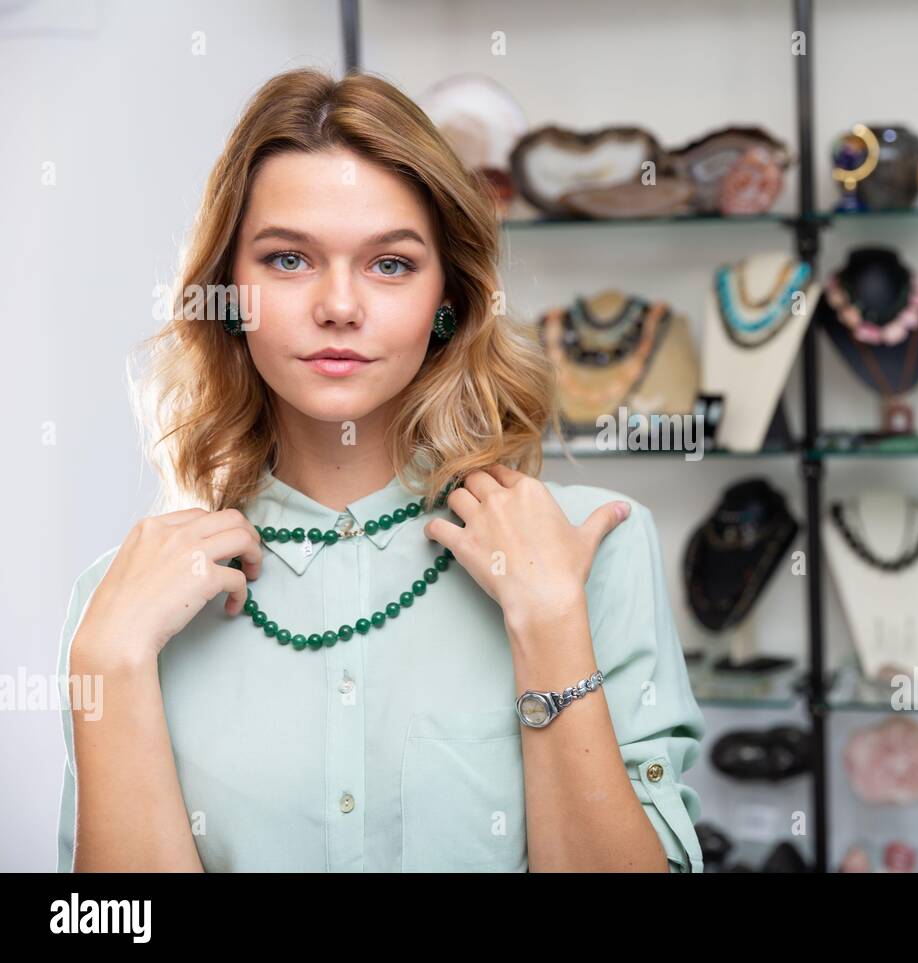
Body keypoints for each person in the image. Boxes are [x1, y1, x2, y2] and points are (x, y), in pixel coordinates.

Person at [54, 67, 705, 872]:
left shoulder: (596, 547)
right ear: (230, 293)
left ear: (450, 301)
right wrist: (107, 665)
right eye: (288, 259)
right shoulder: (120, 604)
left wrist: (549, 625)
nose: (339, 305)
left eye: (390, 264)